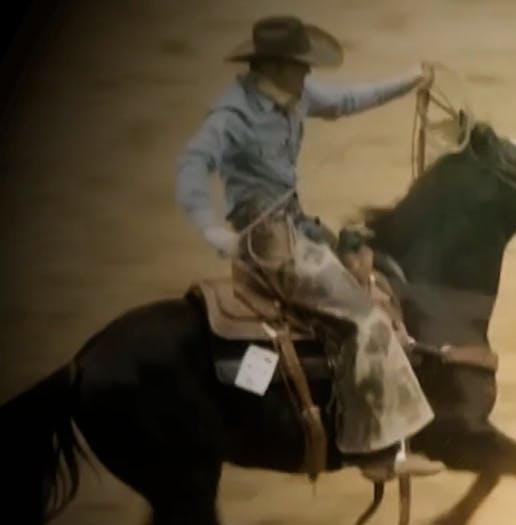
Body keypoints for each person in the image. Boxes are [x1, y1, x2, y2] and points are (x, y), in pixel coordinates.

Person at [175, 14, 443, 482]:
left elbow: (349, 100)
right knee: (363, 318)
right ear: (275, 66)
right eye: (300, 65)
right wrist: (212, 230)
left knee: (373, 276)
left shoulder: (297, 96)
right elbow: (192, 167)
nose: (308, 74)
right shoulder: (232, 116)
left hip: (298, 225)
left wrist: (409, 80)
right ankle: (373, 452)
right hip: (270, 242)